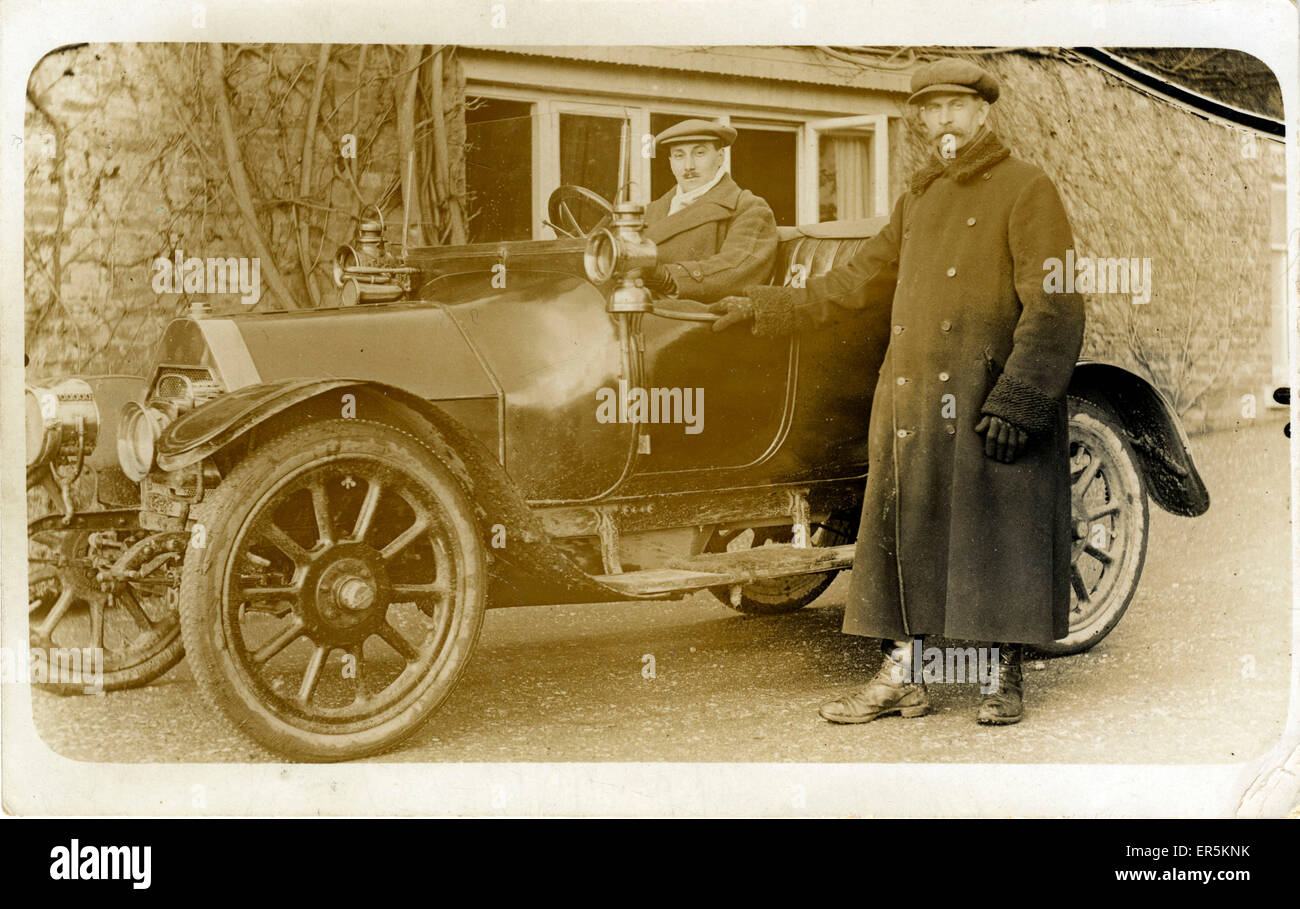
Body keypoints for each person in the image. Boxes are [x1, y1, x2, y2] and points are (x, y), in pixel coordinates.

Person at [709, 58, 1086, 726]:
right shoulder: (917, 199)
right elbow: (854, 282)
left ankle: (1004, 672)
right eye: (929, 110)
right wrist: (765, 305)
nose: (942, 121)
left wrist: (1019, 399)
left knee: (997, 528)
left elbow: (1054, 303)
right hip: (912, 400)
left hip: (984, 395)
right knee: (905, 534)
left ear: (982, 113)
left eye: (954, 108)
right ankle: (901, 676)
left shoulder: (1028, 188)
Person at [639, 119, 779, 304]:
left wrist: (666, 277)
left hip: (697, 321)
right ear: (671, 162)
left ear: (720, 157)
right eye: (679, 155)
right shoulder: (650, 211)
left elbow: (737, 270)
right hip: (641, 308)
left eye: (699, 153)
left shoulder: (748, 208)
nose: (688, 166)